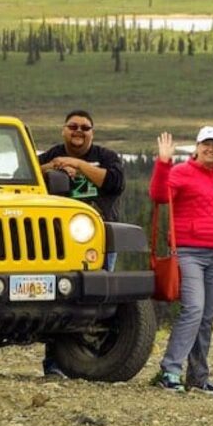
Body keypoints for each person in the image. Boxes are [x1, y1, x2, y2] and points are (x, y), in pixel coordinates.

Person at [38, 109, 126, 379]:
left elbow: (115, 182)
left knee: (98, 300)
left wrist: (79, 166)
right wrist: (53, 167)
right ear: (63, 129)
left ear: (92, 132)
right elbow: (26, 179)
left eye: (85, 127)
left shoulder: (106, 157)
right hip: (57, 242)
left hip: (99, 240)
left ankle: (95, 359)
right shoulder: (50, 156)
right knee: (59, 300)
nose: (78, 131)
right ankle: (54, 363)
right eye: (73, 126)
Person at [149, 125, 213, 393]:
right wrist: (163, 163)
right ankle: (170, 370)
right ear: (196, 147)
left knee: (206, 316)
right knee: (194, 309)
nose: (211, 149)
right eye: (206, 144)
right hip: (189, 252)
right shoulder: (181, 172)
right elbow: (159, 195)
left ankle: (198, 376)